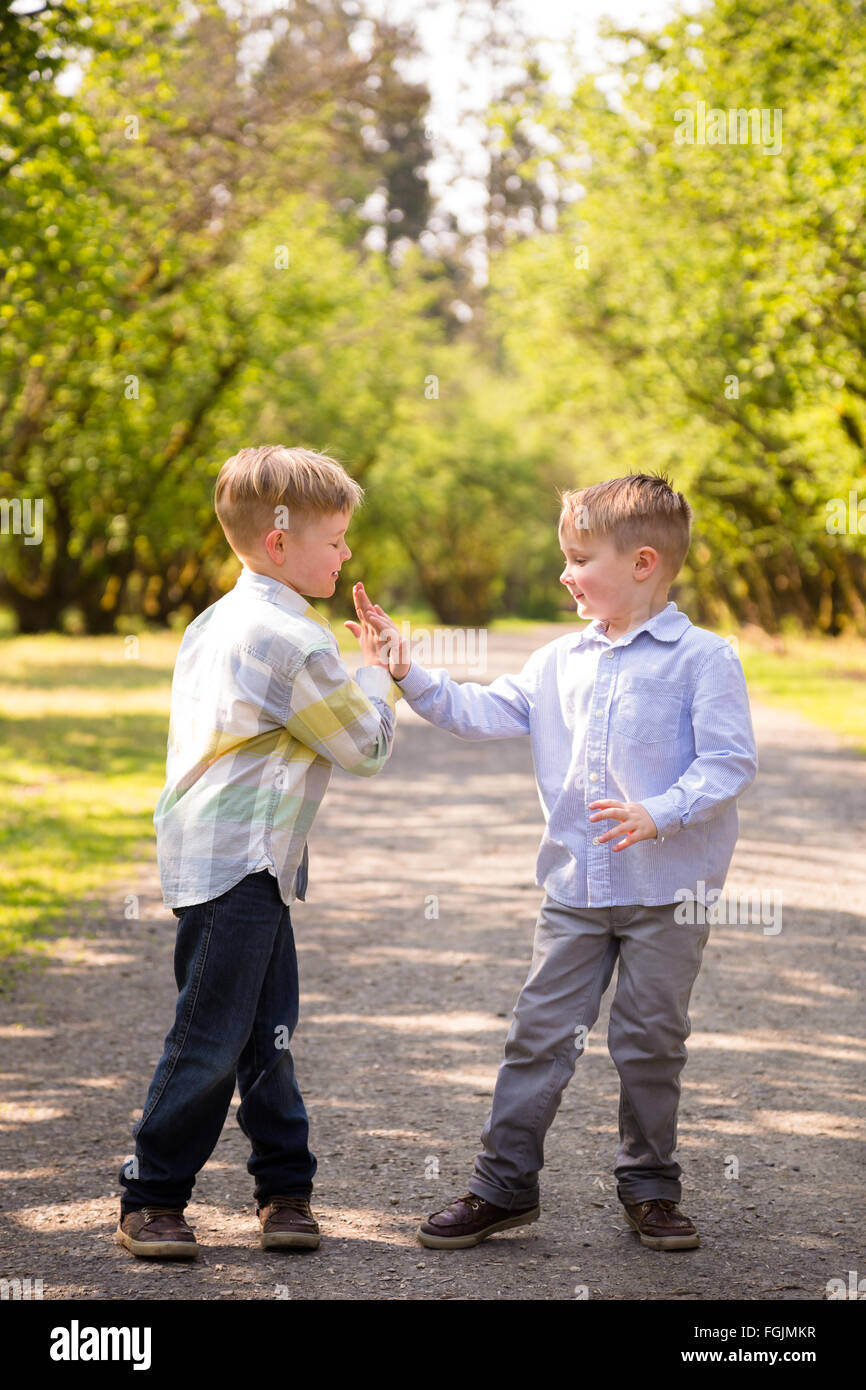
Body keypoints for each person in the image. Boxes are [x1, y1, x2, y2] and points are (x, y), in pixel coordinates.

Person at [357, 471, 758, 1251]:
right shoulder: (556, 662)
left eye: (581, 559)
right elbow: (476, 712)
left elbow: (729, 763)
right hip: (575, 890)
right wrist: (407, 671)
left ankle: (650, 1188)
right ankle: (503, 1186)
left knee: (649, 1041)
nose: (566, 573)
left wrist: (658, 811)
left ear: (644, 563)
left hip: (668, 893)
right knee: (538, 1035)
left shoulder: (703, 659)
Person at [116, 445, 401, 1259]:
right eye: (337, 537)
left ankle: (285, 1188)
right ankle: (152, 1196)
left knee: (267, 1031)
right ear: (279, 543)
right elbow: (366, 747)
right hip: (238, 864)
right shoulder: (293, 641)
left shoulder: (217, 618)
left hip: (242, 860)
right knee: (210, 1036)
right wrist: (382, 673)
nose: (347, 553)